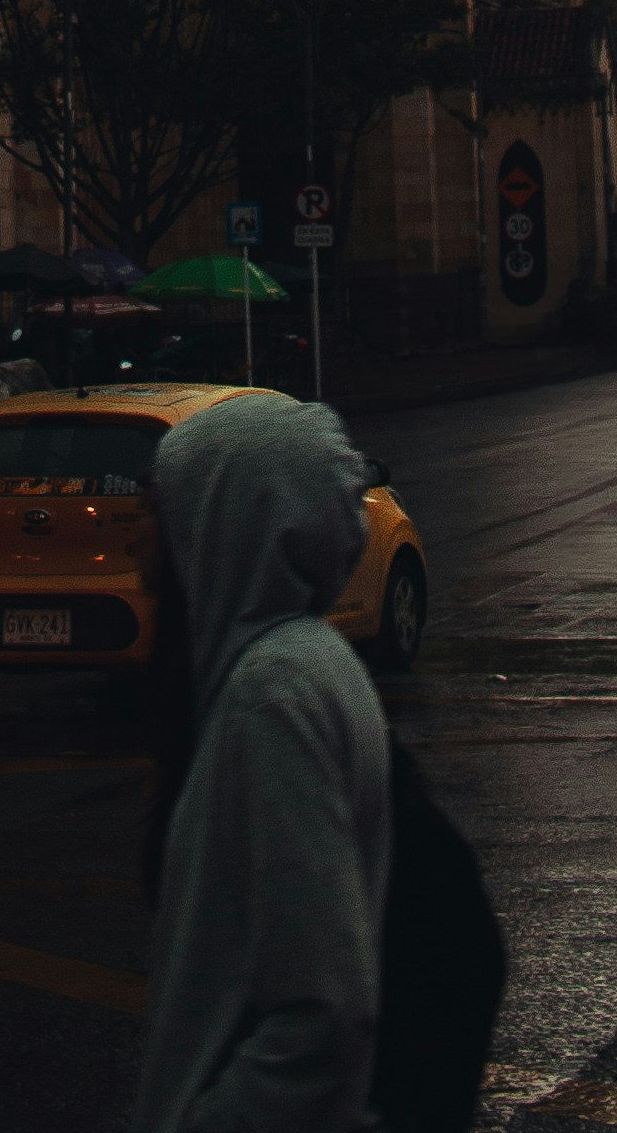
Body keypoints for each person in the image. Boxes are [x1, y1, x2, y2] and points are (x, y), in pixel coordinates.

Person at [133, 394, 391, 1133]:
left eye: (158, 504)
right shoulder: (307, 663)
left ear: (220, 517)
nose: (135, 537)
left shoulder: (271, 696)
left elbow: (323, 1011)